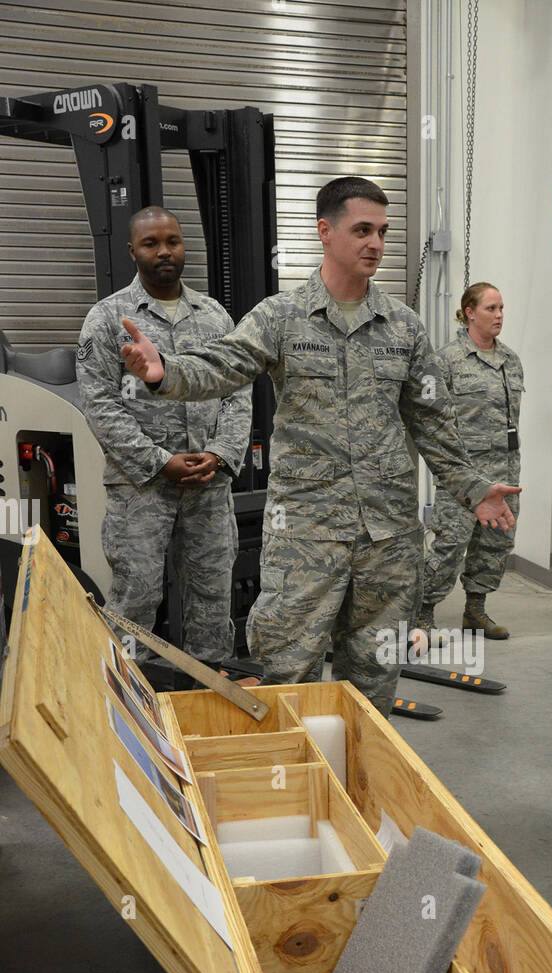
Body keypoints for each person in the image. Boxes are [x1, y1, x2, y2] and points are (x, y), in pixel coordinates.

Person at [118, 177, 519, 716]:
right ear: (325, 232)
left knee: (375, 677)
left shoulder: (404, 327)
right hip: (307, 535)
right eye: (362, 230)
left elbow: (432, 422)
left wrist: (474, 488)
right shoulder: (281, 316)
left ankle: (362, 766)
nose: (375, 243)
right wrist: (164, 371)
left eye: (382, 231)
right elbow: (223, 364)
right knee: (289, 671)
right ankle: (299, 768)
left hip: (387, 539)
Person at [76, 206, 251, 663]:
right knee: (135, 598)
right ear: (132, 250)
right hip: (141, 489)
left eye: (172, 241)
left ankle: (207, 689)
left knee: (213, 598)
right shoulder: (108, 318)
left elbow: (237, 392)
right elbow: (99, 404)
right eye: (151, 243)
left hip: (208, 485)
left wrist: (221, 454)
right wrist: (159, 462)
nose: (164, 251)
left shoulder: (214, 316)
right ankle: (122, 693)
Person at [418, 283, 524, 640]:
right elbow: (433, 423)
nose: (499, 315)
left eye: (501, 308)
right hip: (462, 478)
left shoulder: (511, 360)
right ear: (469, 313)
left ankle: (475, 611)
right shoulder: (445, 361)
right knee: (449, 546)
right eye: (491, 308)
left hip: (504, 473)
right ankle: (422, 612)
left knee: (494, 547)